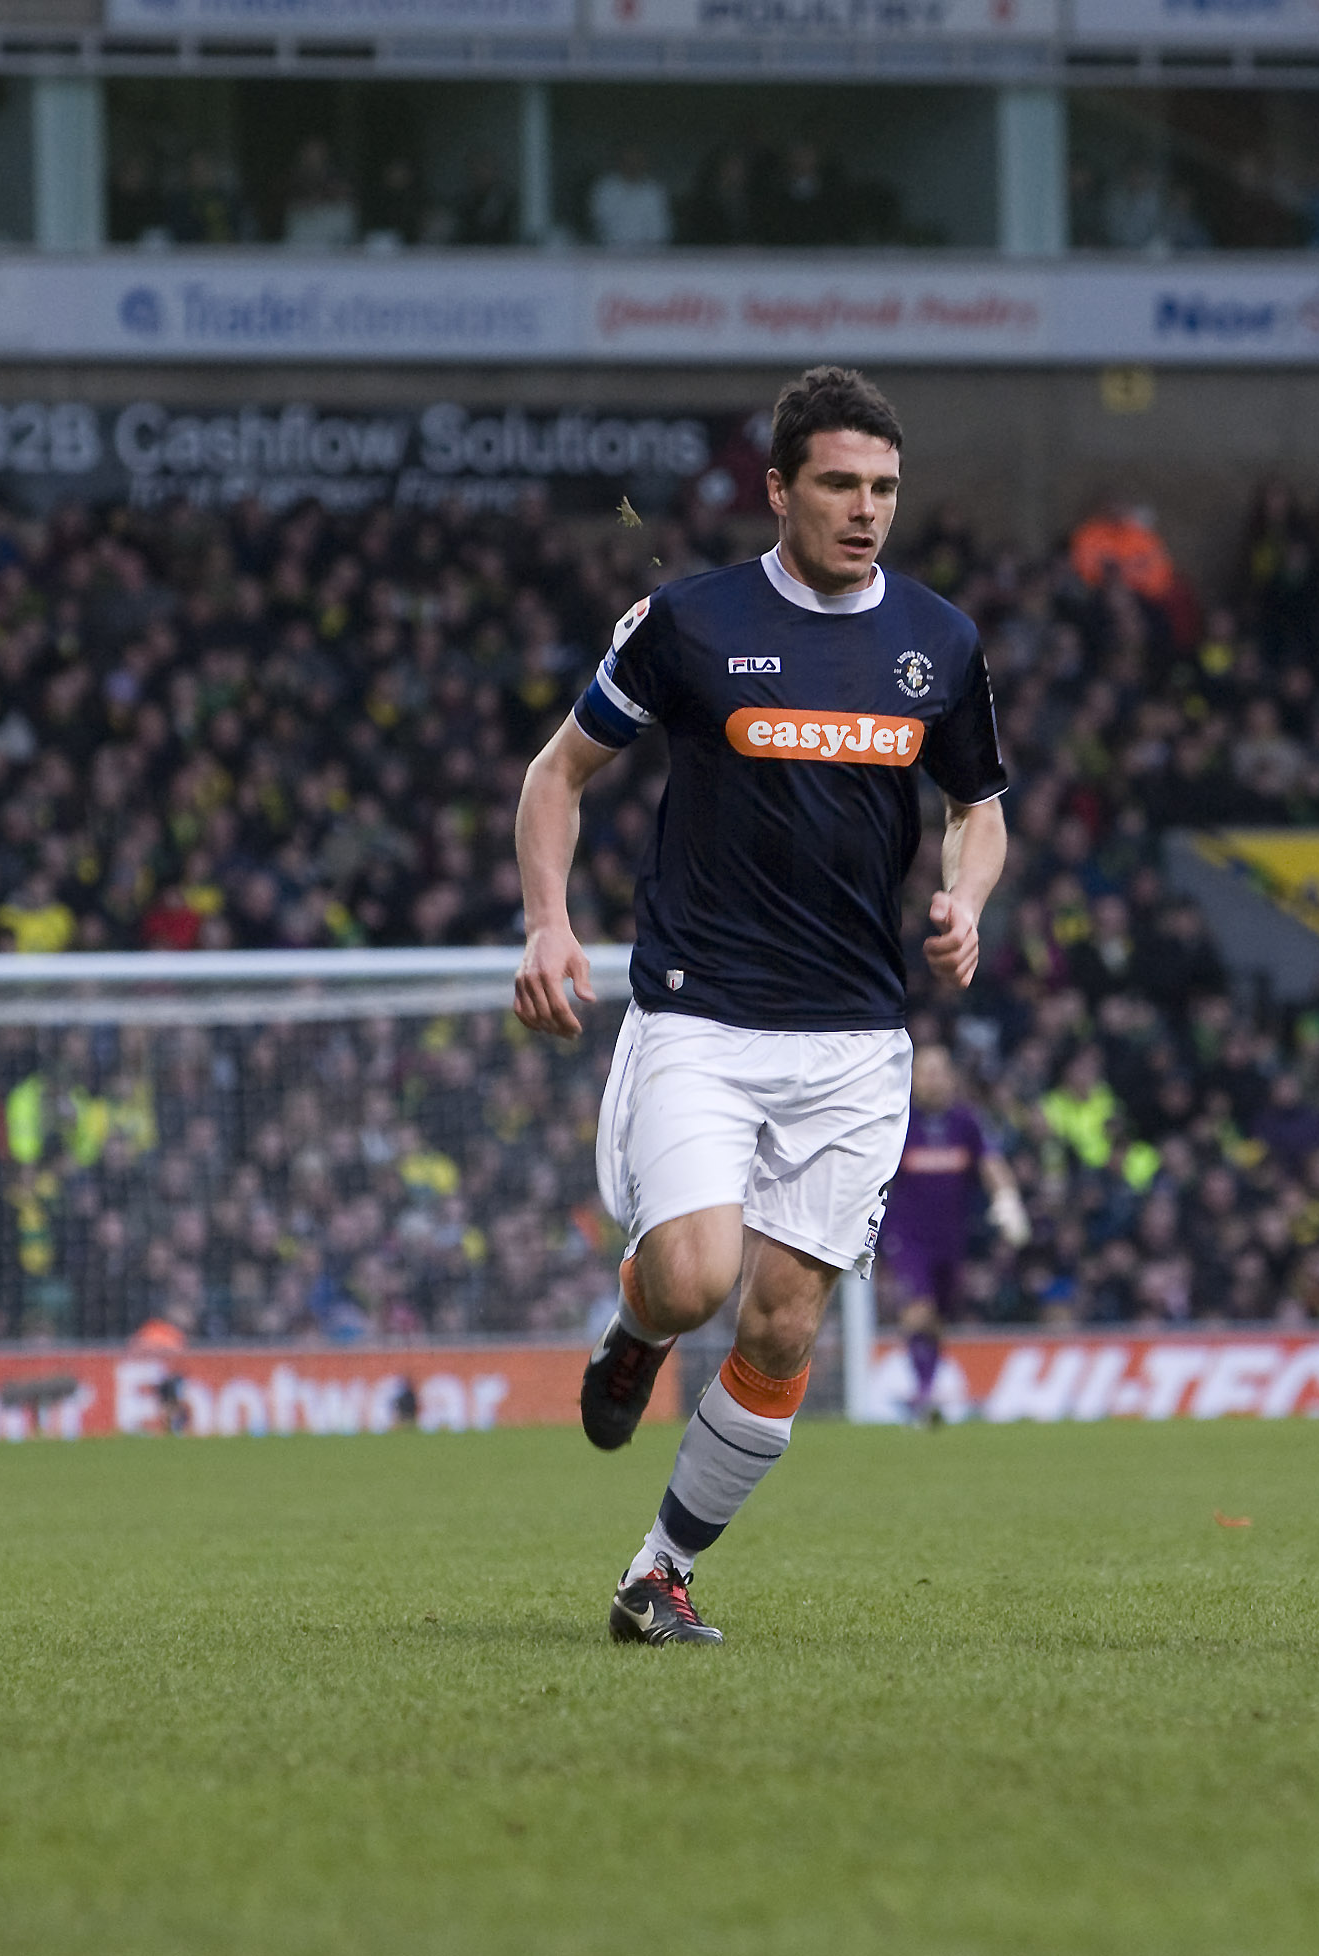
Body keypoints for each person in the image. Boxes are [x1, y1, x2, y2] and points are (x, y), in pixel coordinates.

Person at [512, 365, 1009, 1644]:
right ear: (780, 489)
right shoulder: (686, 623)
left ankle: (658, 1572)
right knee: (694, 1278)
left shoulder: (940, 646)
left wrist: (967, 897)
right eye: (840, 484)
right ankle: (637, 1332)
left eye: (885, 488)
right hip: (700, 1015)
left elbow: (979, 809)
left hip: (855, 1038)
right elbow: (557, 776)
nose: (866, 510)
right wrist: (550, 924)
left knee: (784, 1326)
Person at [876, 1045, 1028, 1423]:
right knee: (918, 1311)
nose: (932, 1079)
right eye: (924, 1072)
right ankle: (924, 1392)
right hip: (907, 1236)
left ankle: (923, 1393)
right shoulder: (900, 1121)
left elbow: (991, 1163)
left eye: (939, 1071)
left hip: (952, 1239)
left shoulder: (966, 1122)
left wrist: (1008, 1200)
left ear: (951, 1078)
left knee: (938, 1318)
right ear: (912, 1078)